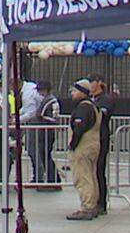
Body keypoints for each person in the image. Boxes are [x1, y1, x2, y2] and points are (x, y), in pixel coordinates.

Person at [65, 80, 104, 221]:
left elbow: (79, 128)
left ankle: (86, 207)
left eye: (75, 91)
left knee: (83, 178)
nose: (72, 94)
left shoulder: (83, 108)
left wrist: (73, 144)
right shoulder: (94, 106)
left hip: (83, 146)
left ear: (82, 92)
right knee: (91, 176)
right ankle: (93, 205)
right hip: (94, 145)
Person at [20, 80, 59, 189]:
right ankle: (53, 180)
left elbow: (39, 114)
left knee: (45, 155)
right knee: (45, 155)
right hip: (49, 130)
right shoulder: (51, 100)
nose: (40, 93)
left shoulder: (48, 101)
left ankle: (53, 181)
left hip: (46, 130)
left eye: (42, 90)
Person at [91, 76, 117, 215]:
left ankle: (101, 202)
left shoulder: (105, 99)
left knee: (99, 171)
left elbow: (103, 114)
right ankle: (93, 199)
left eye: (92, 81)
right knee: (92, 171)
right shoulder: (92, 99)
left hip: (101, 137)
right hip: (92, 137)